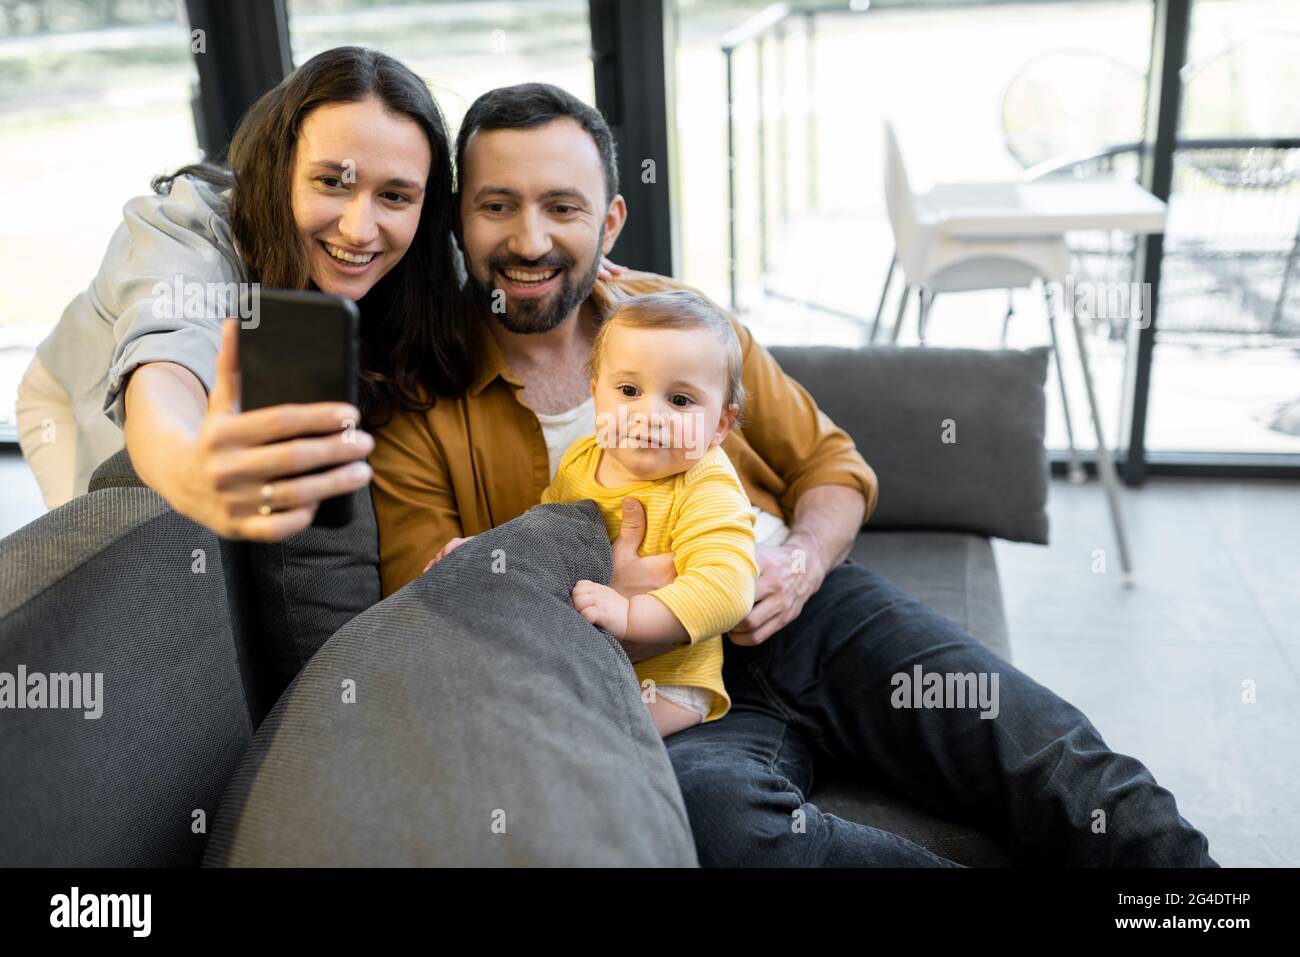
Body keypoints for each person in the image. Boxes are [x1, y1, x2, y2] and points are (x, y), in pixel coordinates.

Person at [369, 81, 1218, 867]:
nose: (530, 239)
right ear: (457, 221)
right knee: (723, 828)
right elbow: (441, 610)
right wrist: (608, 596)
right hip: (664, 687)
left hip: (810, 615)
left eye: (563, 206)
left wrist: (802, 560)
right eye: (496, 206)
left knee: (1052, 762)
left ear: (612, 220)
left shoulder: (683, 321)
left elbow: (831, 465)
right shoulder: (420, 400)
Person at [15, 46, 465, 535]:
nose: (359, 230)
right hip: (72, 395)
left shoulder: (430, 254)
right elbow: (167, 369)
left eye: (395, 196)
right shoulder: (188, 235)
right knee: (117, 542)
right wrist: (190, 471)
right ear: (279, 170)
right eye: (332, 182)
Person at [429, 289, 760, 738]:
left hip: (666, 683)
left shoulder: (704, 484)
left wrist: (630, 616)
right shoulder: (584, 458)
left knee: (581, 739)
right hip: (587, 659)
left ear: (720, 423)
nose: (650, 415)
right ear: (594, 394)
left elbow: (728, 588)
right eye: (628, 390)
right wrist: (484, 553)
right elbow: (542, 534)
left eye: (680, 401)